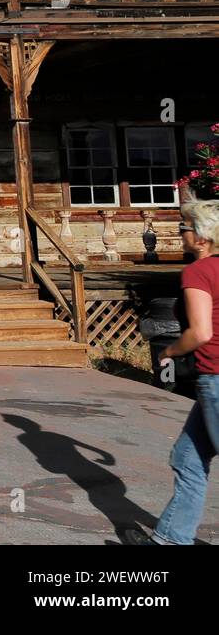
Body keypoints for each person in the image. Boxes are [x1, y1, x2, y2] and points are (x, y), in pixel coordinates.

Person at [127, 198, 219, 544]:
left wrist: (168, 351)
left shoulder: (198, 271)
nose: (180, 233)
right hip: (211, 381)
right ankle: (170, 540)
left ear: (201, 237)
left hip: (215, 377)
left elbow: (200, 333)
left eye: (184, 228)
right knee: (187, 457)